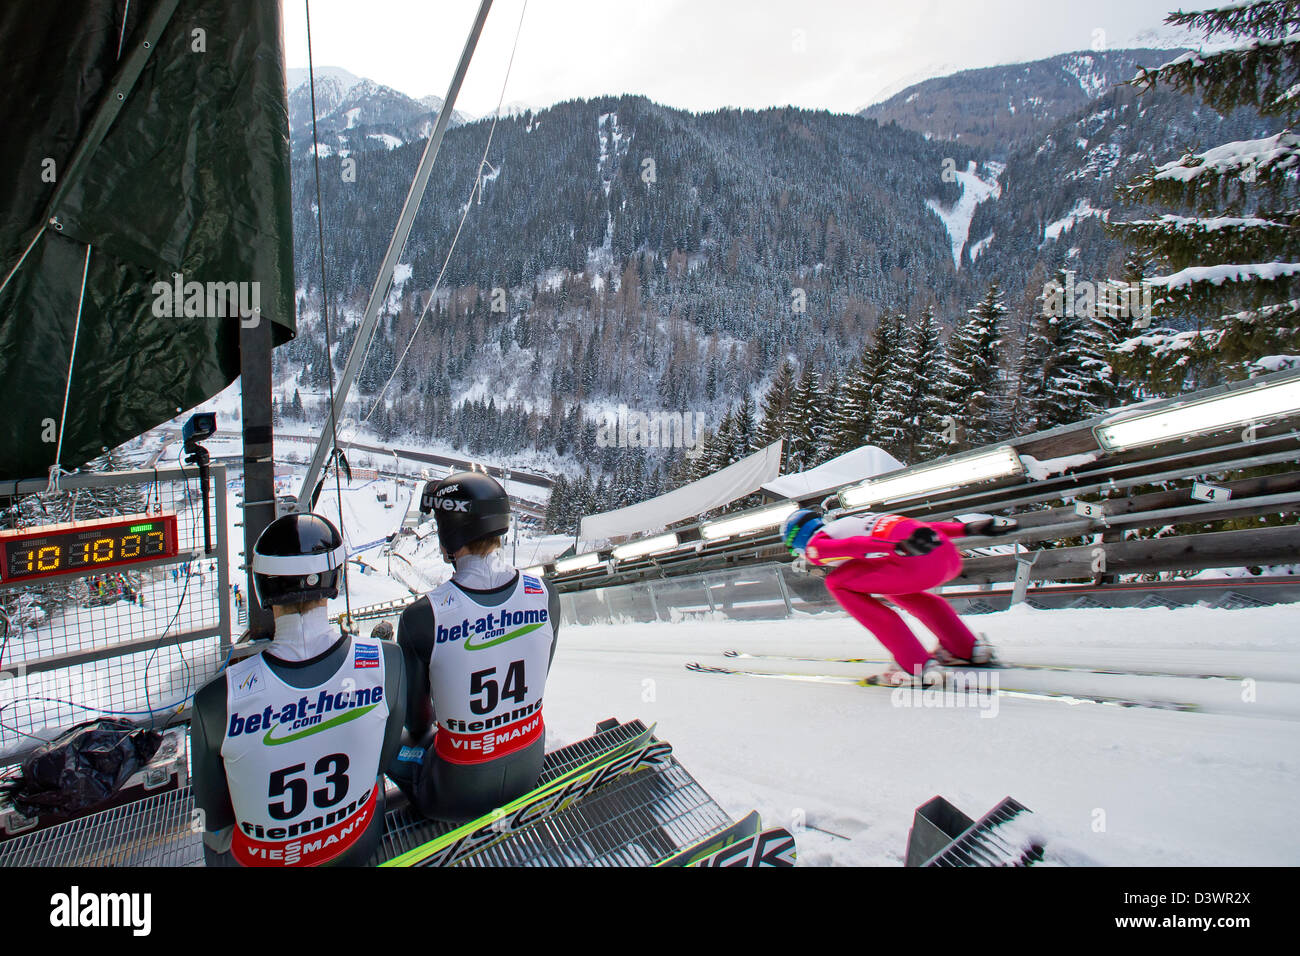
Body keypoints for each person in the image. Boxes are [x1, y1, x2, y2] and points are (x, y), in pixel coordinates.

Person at [190, 513, 406, 867]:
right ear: (335, 577)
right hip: (356, 843)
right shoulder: (387, 662)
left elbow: (212, 816)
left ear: (262, 587)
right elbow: (382, 761)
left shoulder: (216, 701)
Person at [391, 471, 559, 821]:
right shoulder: (544, 596)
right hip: (529, 766)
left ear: (448, 534)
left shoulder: (423, 617)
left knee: (385, 742)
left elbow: (417, 723)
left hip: (453, 792)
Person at [781, 508, 1018, 686]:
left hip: (911, 558)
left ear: (797, 540)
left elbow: (852, 546)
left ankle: (915, 665)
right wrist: (967, 529)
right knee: (894, 588)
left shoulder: (816, 545)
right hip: (945, 556)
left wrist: (895, 547)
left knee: (837, 583)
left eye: (793, 549)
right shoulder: (850, 522)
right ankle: (966, 648)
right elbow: (923, 528)